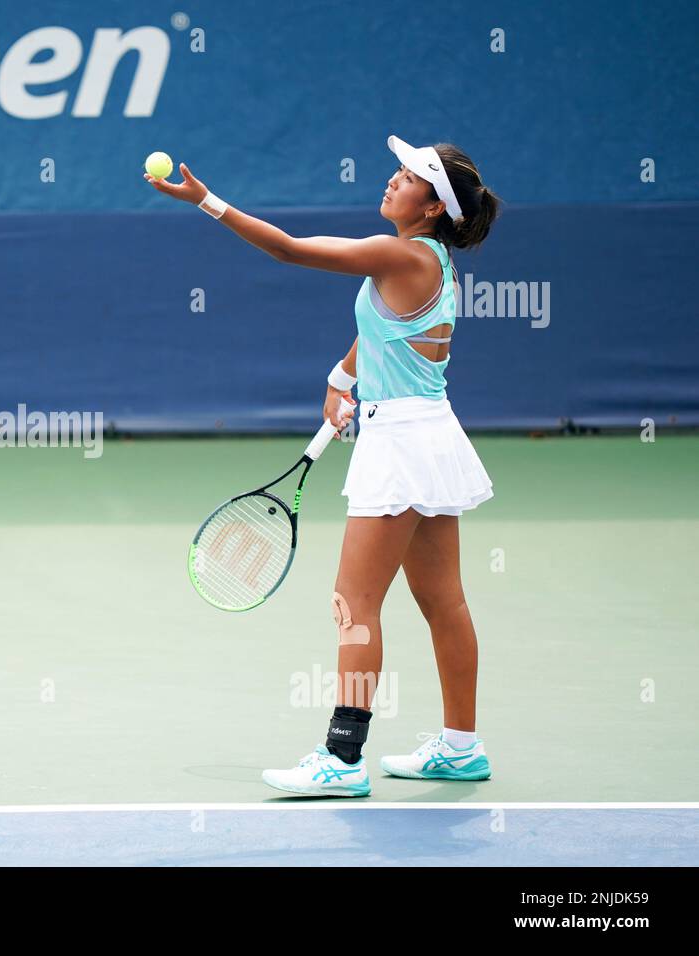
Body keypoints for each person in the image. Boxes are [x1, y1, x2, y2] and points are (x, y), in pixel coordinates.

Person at [145, 136, 500, 796]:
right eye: (398, 171)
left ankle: (343, 756)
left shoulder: (397, 253)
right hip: (430, 436)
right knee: (443, 602)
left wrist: (206, 201)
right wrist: (342, 376)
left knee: (354, 603)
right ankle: (461, 747)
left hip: (400, 447)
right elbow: (385, 330)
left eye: (409, 178)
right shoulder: (433, 262)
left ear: (431, 208)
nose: (393, 181)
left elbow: (288, 249)